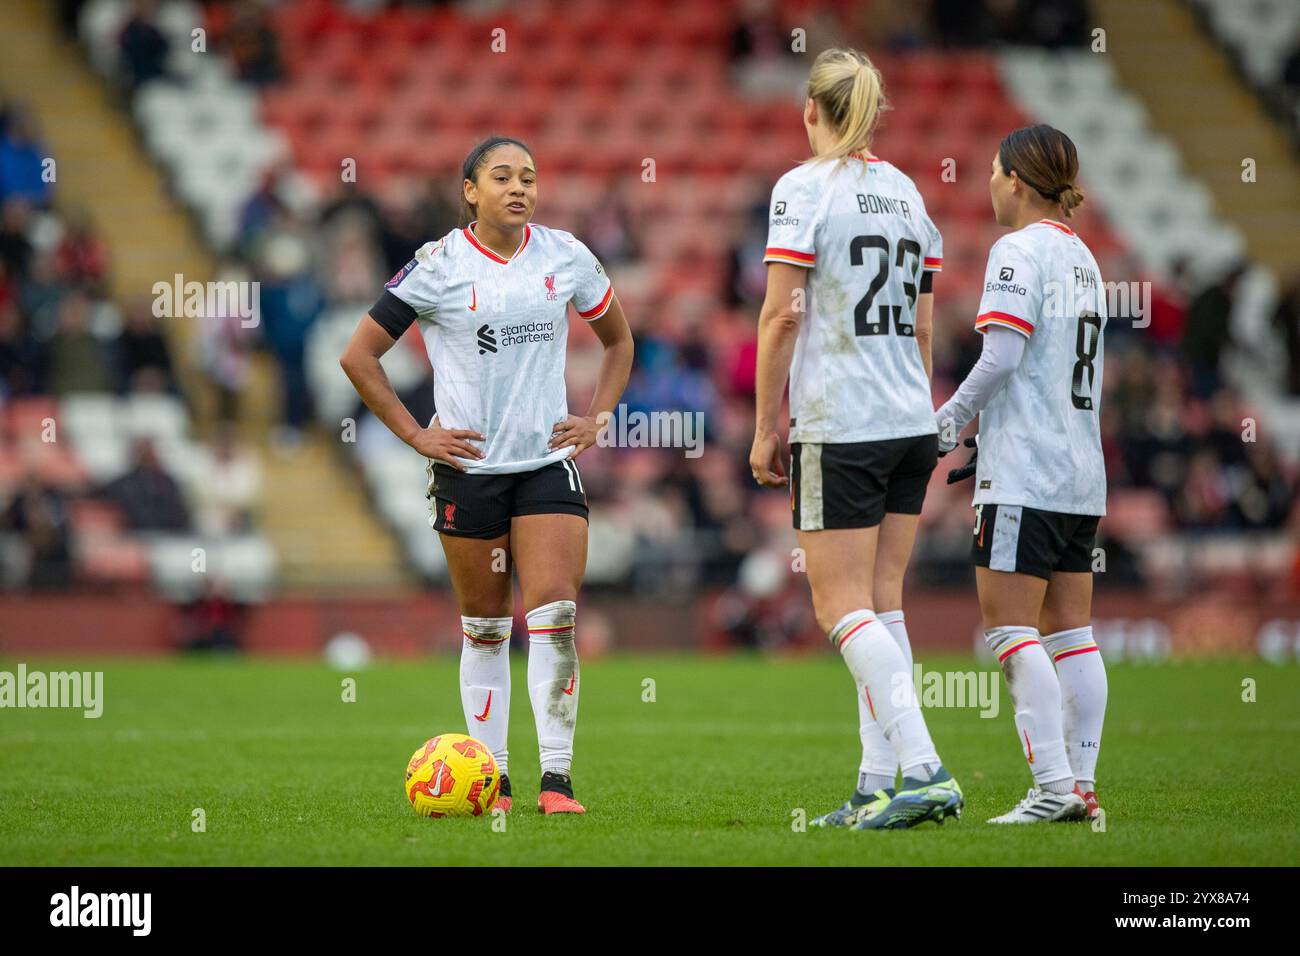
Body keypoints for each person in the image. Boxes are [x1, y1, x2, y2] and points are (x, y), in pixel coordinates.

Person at [340, 136, 634, 815]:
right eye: (501, 176)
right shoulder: (437, 265)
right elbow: (359, 356)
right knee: (486, 628)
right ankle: (493, 780)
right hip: (469, 471)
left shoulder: (566, 256)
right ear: (469, 190)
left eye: (528, 176)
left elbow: (619, 340)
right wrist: (417, 435)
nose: (518, 187)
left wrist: (597, 419)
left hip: (545, 467)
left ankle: (556, 781)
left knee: (556, 614)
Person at [749, 48, 962, 830]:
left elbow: (779, 315)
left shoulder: (804, 189)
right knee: (882, 605)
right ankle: (877, 784)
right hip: (910, 418)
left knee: (839, 607)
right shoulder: (909, 195)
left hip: (841, 421)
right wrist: (916, 402)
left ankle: (927, 768)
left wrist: (765, 425)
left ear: (812, 112)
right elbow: (925, 323)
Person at [935, 124, 1108, 824]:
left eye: (992, 171)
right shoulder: (1085, 258)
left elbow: (1003, 357)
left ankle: (1052, 788)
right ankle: (1083, 782)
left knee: (1011, 631)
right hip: (1080, 472)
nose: (987, 183)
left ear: (1014, 179)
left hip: (1026, 472)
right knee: (1073, 634)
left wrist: (947, 423)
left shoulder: (1017, 250)